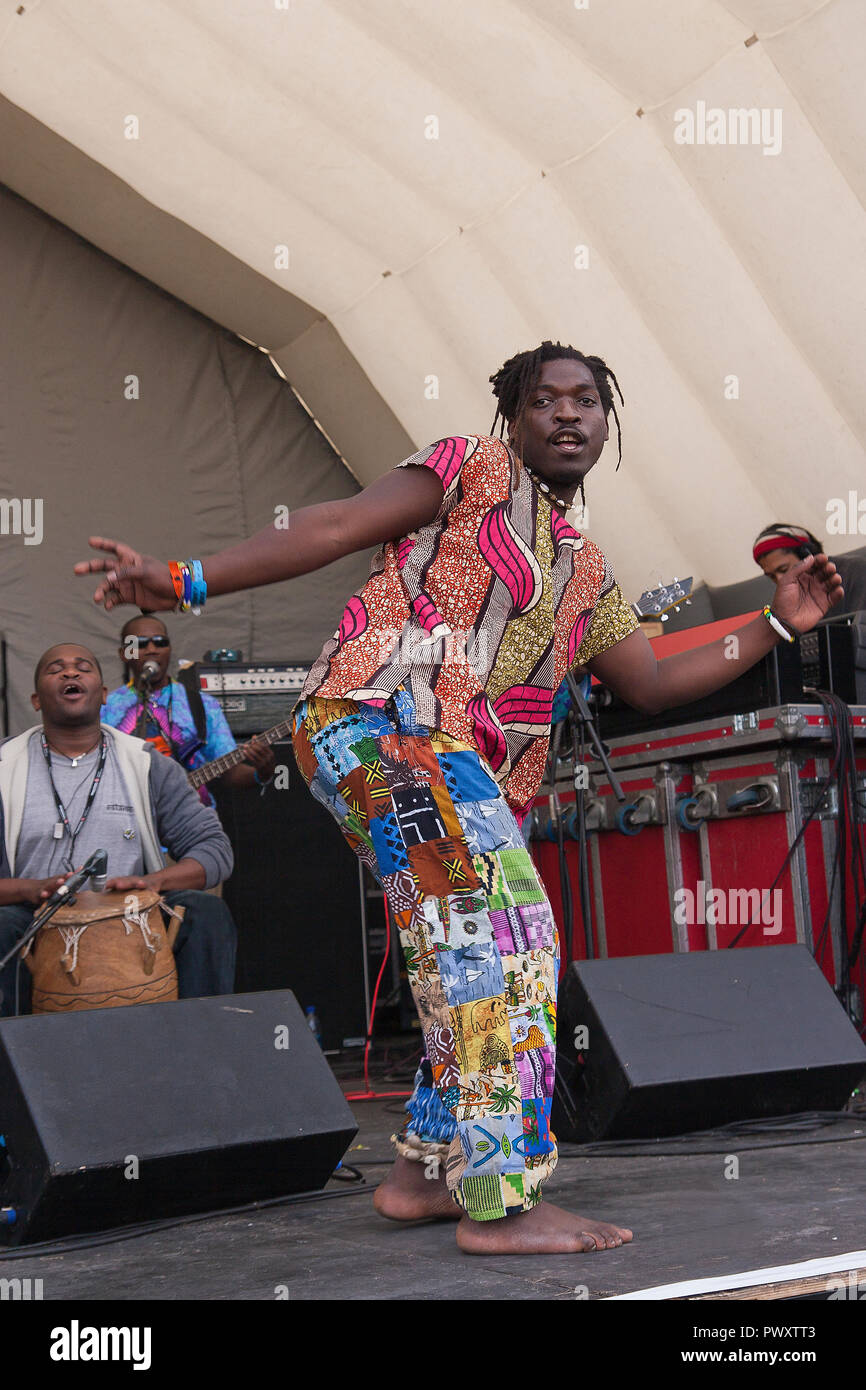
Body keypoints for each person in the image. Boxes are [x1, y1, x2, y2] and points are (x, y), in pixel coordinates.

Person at [75, 341, 844, 1256]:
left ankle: (422, 1174)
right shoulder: (469, 468)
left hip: (447, 761)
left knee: (464, 946)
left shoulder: (585, 568)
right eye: (548, 399)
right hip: (380, 723)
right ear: (513, 418)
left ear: (608, 422)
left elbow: (652, 682)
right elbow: (335, 524)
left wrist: (771, 623)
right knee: (502, 932)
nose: (569, 413)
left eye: (588, 401)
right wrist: (187, 580)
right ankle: (500, 1200)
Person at [0, 643, 237, 1015]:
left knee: (205, 914)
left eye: (83, 667)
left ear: (104, 695)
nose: (70, 673)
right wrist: (31, 889)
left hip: (132, 918)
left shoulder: (146, 764)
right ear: (35, 700)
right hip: (32, 917)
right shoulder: (4, 765)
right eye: (55, 669)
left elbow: (214, 850)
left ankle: (199, 1053)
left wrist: (154, 883)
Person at [102, 613, 276, 806]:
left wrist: (262, 773)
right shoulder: (106, 708)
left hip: (194, 820)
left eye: (160, 642)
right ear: (125, 653)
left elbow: (231, 774)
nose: (152, 649)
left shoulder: (202, 704)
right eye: (140, 643)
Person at [753, 524, 866, 612]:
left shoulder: (856, 571)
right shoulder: (788, 602)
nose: (780, 580)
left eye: (783, 569)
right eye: (771, 576)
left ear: (808, 555)